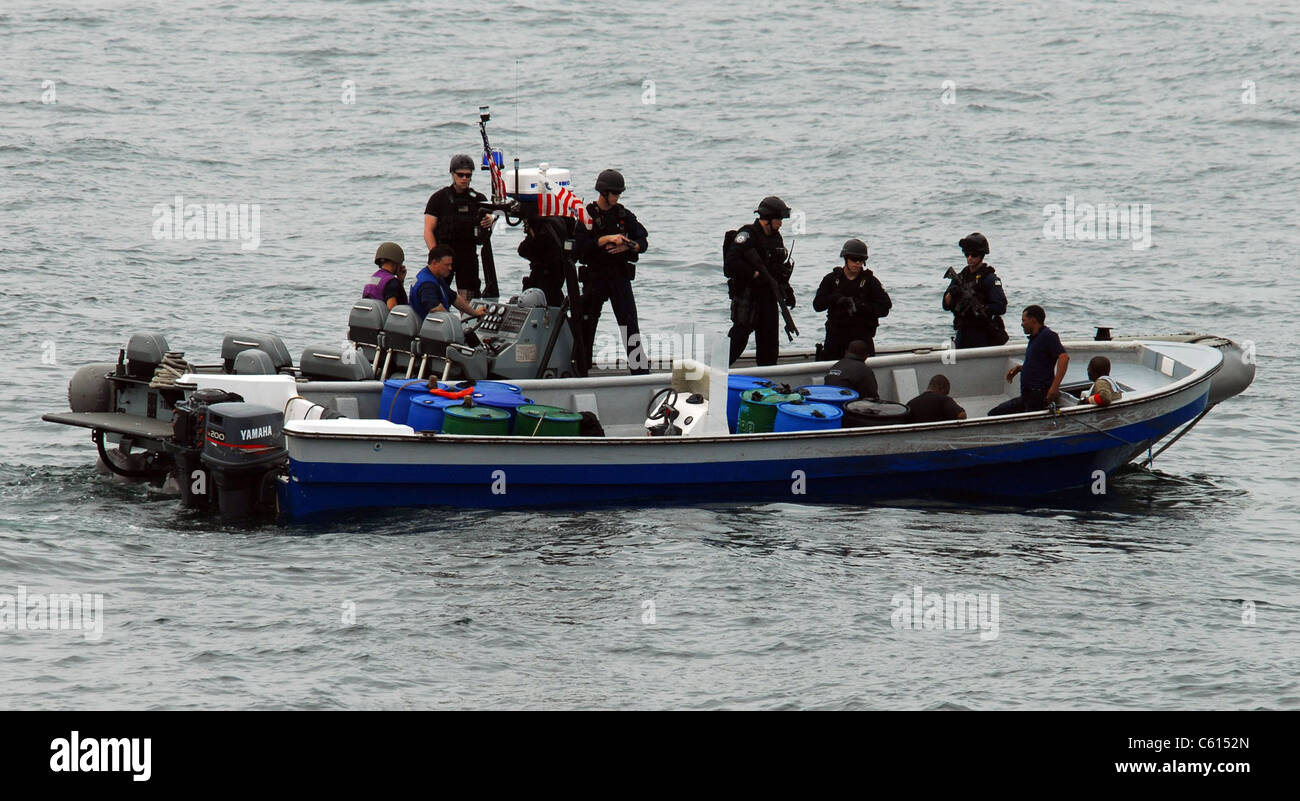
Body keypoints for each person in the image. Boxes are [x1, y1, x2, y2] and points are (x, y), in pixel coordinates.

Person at [574, 169, 650, 375]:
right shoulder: (587, 215)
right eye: (615, 194)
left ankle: (640, 372)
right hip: (595, 276)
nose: (617, 198)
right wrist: (606, 239)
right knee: (586, 325)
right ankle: (581, 370)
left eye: (619, 194)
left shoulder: (623, 215)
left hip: (619, 276)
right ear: (604, 192)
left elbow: (643, 240)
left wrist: (630, 246)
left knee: (630, 326)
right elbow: (579, 248)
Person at [725, 195, 796, 366]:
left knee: (769, 344)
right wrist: (754, 274)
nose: (781, 223)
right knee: (739, 338)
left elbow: (778, 269)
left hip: (769, 296)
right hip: (748, 295)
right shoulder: (748, 235)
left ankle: (767, 382)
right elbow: (731, 262)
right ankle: (714, 371)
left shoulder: (776, 238)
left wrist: (787, 290)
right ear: (767, 219)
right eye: (778, 218)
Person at [423, 154, 495, 303]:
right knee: (438, 293)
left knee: (469, 295)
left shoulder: (478, 199)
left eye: (468, 175)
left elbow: (493, 219)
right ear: (452, 174)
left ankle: (468, 322)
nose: (464, 178)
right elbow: (428, 230)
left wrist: (491, 220)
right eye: (460, 175)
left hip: (468, 255)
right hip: (444, 254)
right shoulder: (438, 198)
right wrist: (435, 255)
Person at [812, 238, 891, 359]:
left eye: (861, 260)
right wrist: (835, 299)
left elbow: (885, 308)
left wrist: (861, 306)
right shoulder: (832, 280)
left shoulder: (870, 282)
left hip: (861, 339)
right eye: (854, 259)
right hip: (836, 338)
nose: (858, 263)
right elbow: (817, 305)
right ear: (846, 259)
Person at [989, 305, 1069, 416]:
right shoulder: (1034, 338)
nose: (1022, 324)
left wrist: (1054, 388)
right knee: (994, 413)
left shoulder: (1048, 336)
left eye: (1024, 320)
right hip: (1026, 396)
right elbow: (1039, 363)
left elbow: (1064, 358)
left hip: (1037, 395)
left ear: (1033, 320)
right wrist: (1020, 368)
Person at [943, 232, 1008, 349]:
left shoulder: (989, 279)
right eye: (967, 254)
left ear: (981, 256)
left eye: (973, 255)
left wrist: (982, 308)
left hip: (982, 333)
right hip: (963, 333)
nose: (969, 258)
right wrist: (952, 293)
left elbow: (1000, 307)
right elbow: (945, 305)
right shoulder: (960, 277)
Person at [408, 246, 488, 322]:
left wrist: (474, 313)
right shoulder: (427, 284)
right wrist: (454, 324)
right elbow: (435, 309)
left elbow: (454, 298)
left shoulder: (434, 277)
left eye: (451, 264)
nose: (450, 268)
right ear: (434, 262)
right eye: (447, 265)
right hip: (430, 331)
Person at [517, 210, 572, 308]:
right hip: (552, 277)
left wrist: (531, 234)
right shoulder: (557, 224)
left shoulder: (544, 230)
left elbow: (524, 250)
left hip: (544, 280)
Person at [362, 242, 408, 310]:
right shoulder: (392, 282)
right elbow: (392, 309)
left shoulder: (373, 278)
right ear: (396, 262)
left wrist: (400, 280)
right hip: (384, 320)